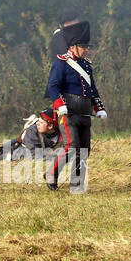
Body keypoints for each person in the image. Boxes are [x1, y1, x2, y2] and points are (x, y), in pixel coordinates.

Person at [45, 20, 105, 192]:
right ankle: (52, 173)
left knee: (84, 150)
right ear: (73, 46)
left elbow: (92, 88)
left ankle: (77, 185)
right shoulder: (61, 63)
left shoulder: (87, 65)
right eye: (83, 46)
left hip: (84, 113)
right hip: (67, 112)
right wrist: (60, 105)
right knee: (72, 147)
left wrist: (99, 107)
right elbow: (53, 86)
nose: (87, 49)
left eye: (87, 46)